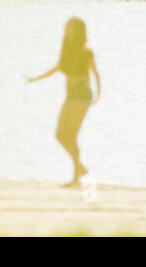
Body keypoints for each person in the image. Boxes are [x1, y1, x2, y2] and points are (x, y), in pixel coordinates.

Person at [28, 17, 101, 187]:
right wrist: (34, 79)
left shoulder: (85, 51)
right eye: (67, 27)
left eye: (70, 28)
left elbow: (95, 73)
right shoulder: (67, 49)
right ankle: (80, 169)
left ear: (78, 31)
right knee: (60, 135)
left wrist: (99, 94)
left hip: (82, 94)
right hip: (71, 94)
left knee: (71, 136)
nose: (67, 30)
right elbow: (57, 68)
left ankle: (77, 177)